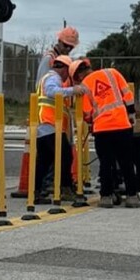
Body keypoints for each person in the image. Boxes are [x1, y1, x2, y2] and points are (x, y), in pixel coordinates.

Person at [71, 58, 140, 208]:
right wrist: (131, 114)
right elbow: (127, 95)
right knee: (126, 162)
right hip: (122, 125)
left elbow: (87, 113)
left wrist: (91, 122)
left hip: (102, 129)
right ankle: (132, 196)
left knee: (106, 163)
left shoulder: (83, 87)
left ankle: (106, 197)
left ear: (77, 76)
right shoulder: (112, 72)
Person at [35, 54, 87, 201]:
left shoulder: (46, 78)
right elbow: (52, 92)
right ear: (64, 69)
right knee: (66, 156)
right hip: (51, 125)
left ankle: (36, 192)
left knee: (44, 162)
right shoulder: (53, 78)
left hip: (45, 126)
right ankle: (65, 188)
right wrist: (73, 90)